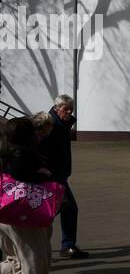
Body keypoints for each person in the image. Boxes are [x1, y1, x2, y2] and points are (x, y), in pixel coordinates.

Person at [0, 116, 55, 274]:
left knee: (16, 262)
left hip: (8, 210)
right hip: (23, 213)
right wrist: (41, 174)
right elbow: (20, 172)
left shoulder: (6, 149)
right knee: (34, 264)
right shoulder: (21, 152)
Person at [44, 95, 85, 260]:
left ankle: (65, 245)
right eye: (65, 109)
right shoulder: (51, 125)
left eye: (71, 109)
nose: (68, 112)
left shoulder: (62, 125)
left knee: (60, 209)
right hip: (52, 175)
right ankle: (66, 246)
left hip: (59, 174)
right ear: (56, 108)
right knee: (66, 208)